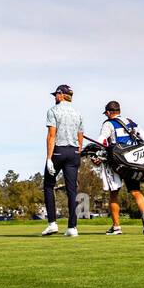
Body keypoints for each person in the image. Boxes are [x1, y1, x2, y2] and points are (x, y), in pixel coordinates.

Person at [96, 101, 144, 236]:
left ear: (109, 113)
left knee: (114, 193)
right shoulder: (132, 123)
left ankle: (116, 227)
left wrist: (96, 154)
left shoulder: (108, 124)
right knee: (136, 191)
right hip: (133, 162)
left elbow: (101, 140)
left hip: (116, 163)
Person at [43, 84, 84, 237]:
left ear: (61, 95)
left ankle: (52, 223)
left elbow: (51, 135)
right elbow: (80, 135)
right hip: (73, 152)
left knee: (48, 185)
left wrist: (49, 158)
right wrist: (78, 151)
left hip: (59, 151)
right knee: (72, 190)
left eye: (56, 94)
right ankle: (72, 227)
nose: (55, 97)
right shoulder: (78, 112)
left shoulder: (53, 111)